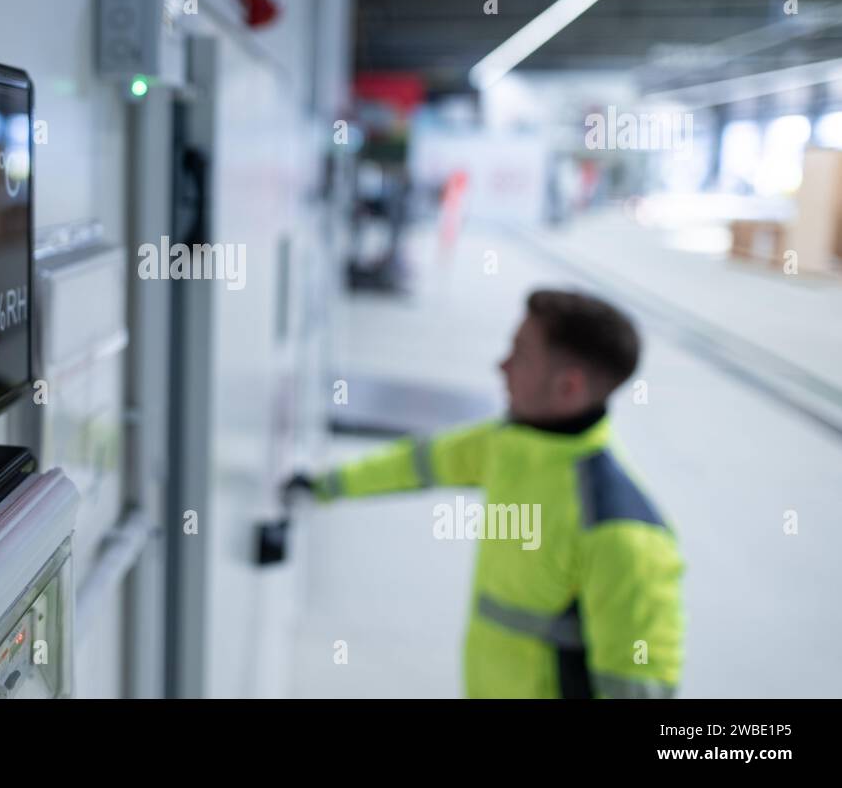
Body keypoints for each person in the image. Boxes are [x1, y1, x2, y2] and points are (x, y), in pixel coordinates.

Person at [286, 289, 683, 698]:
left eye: (521, 355)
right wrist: (322, 486)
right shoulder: (509, 446)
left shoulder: (620, 532)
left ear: (568, 386)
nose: (501, 366)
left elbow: (637, 686)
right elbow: (416, 464)